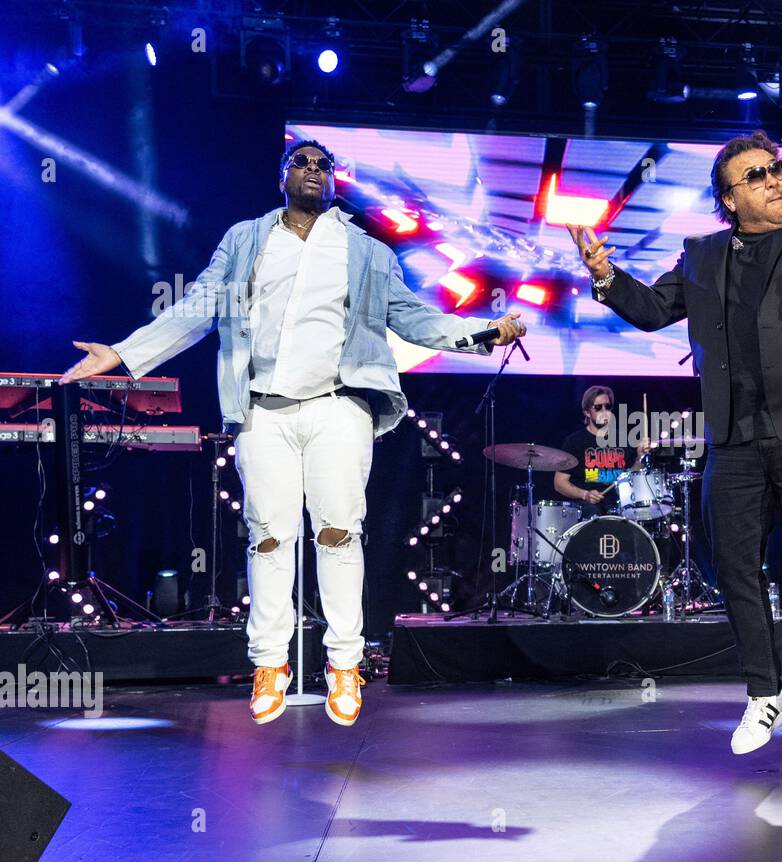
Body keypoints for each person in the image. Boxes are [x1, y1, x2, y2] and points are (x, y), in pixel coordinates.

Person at [59, 139, 525, 727]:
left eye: (323, 164)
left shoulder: (367, 252)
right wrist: (125, 353)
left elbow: (412, 317)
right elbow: (201, 304)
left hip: (338, 406)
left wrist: (482, 332)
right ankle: (269, 663)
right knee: (269, 536)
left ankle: (344, 664)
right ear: (282, 175)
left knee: (338, 533)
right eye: (300, 161)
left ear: (334, 181)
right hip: (264, 411)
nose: (312, 170)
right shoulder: (246, 240)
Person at [568, 130, 782, 759]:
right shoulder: (701, 253)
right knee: (731, 565)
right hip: (735, 433)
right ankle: (766, 692)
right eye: (755, 176)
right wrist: (605, 275)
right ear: (729, 200)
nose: (774, 179)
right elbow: (652, 309)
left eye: (776, 168)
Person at [554, 385, 650, 517]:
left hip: (618, 503)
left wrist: (640, 457)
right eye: (598, 407)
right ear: (587, 412)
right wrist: (585, 494)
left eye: (607, 406)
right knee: (594, 512)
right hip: (587, 506)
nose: (604, 411)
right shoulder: (574, 442)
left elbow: (631, 475)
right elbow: (559, 483)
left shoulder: (623, 439)